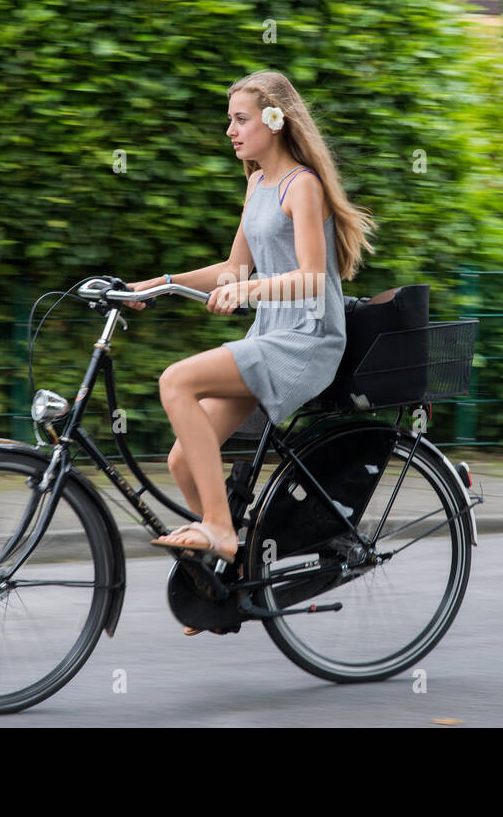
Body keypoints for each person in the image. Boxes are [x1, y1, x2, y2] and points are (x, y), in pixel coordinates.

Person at [126, 70, 376, 633]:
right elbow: (231, 269)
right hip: (269, 336)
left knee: (176, 381)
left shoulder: (301, 185)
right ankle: (229, 572)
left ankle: (220, 532)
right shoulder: (259, 184)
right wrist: (155, 285)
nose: (230, 131)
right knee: (182, 459)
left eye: (240, 119)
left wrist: (249, 290)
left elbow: (312, 277)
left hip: (306, 341)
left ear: (273, 120)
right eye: (230, 120)